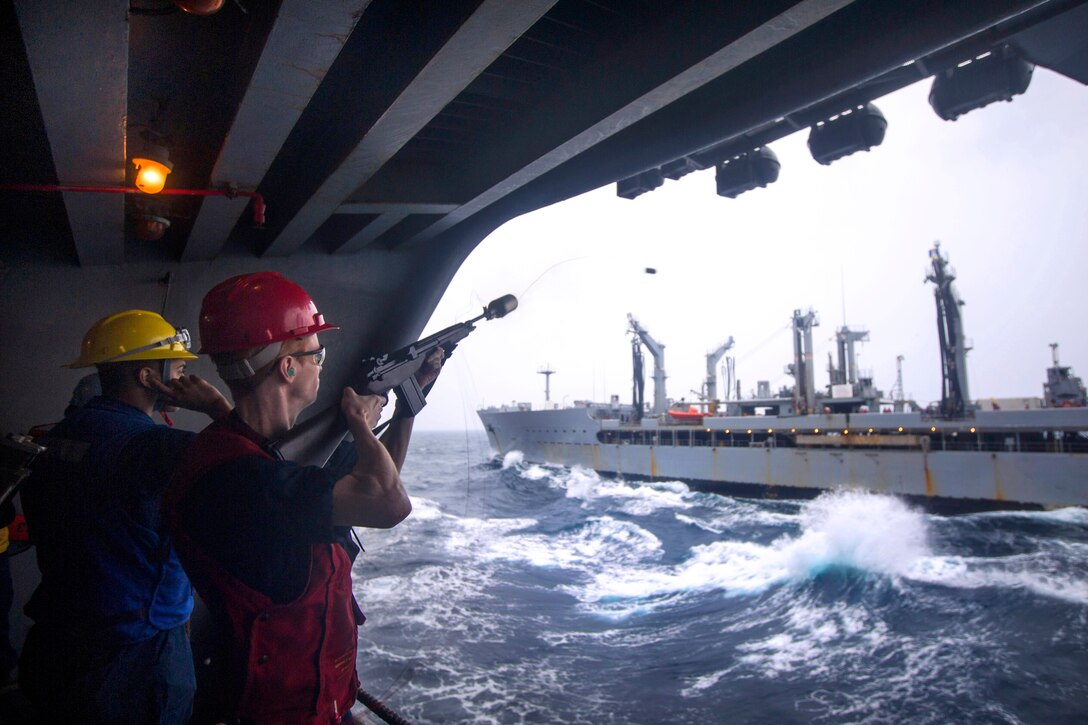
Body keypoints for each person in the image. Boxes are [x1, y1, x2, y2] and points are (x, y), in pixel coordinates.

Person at [166, 271, 442, 724]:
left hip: (312, 699)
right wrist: (357, 421)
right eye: (318, 353)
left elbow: (378, 481)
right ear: (287, 367)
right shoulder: (247, 479)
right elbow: (390, 504)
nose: (322, 365)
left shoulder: (262, 458)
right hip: (275, 709)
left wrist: (410, 400)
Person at [18, 309, 232, 724]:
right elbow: (257, 470)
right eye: (176, 361)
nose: (186, 367)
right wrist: (218, 408)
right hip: (136, 657)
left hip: (59, 638)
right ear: (148, 377)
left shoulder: (60, 434)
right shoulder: (156, 448)